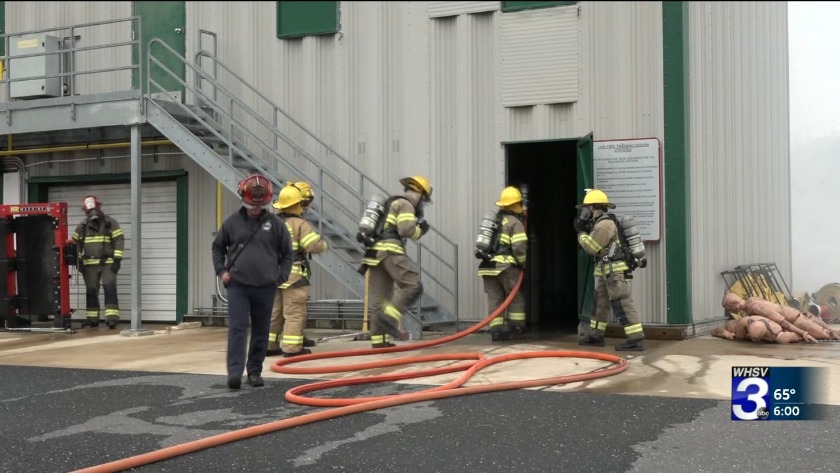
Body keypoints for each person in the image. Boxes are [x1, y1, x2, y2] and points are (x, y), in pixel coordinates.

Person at [212, 174, 293, 390]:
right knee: (238, 327)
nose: (255, 209)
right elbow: (218, 247)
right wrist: (221, 271)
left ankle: (254, 372)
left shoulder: (276, 225)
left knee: (261, 330)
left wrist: (281, 276)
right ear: (243, 200)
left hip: (265, 287)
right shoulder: (231, 223)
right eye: (251, 205)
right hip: (238, 285)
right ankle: (235, 373)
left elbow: (288, 254)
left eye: (260, 206)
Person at [360, 175, 433, 348]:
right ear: (420, 194)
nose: (422, 204)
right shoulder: (406, 203)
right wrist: (421, 230)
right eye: (424, 199)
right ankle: (390, 317)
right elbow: (406, 229)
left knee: (381, 298)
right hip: (391, 250)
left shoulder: (390, 203)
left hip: (375, 253)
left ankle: (380, 340)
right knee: (413, 285)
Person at [575, 189, 645, 351]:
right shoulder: (601, 223)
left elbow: (592, 247)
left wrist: (581, 234)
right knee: (599, 303)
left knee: (622, 302)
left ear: (593, 207)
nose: (585, 212)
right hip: (606, 272)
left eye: (586, 208)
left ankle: (636, 338)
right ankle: (596, 335)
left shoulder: (605, 225)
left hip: (614, 272)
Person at [266, 184, 328, 357]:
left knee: (273, 312)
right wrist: (323, 245)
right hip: (292, 276)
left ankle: (269, 346)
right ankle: (292, 349)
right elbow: (312, 245)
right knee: (294, 312)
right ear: (298, 204)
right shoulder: (299, 223)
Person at [477, 186, 528, 341]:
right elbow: (519, 247)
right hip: (505, 267)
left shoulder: (495, 220)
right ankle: (516, 328)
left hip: (487, 267)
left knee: (495, 299)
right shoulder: (515, 222)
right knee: (514, 296)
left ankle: (497, 331)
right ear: (516, 204)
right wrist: (522, 263)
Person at [67, 195, 125, 329]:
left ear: (99, 208)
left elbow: (119, 240)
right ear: (86, 212)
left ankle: (112, 319)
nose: (92, 214)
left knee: (109, 288)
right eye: (89, 212)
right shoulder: (82, 226)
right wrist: (78, 260)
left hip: (108, 263)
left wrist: (117, 259)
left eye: (94, 210)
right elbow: (76, 244)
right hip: (89, 265)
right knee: (91, 291)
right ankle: (92, 319)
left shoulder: (110, 223)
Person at [711, 315, 812, 344]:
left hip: (777, 333)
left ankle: (801, 336)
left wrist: (800, 335)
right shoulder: (745, 321)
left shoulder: (777, 332)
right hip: (771, 328)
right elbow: (738, 337)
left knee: (786, 338)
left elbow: (739, 338)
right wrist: (727, 334)